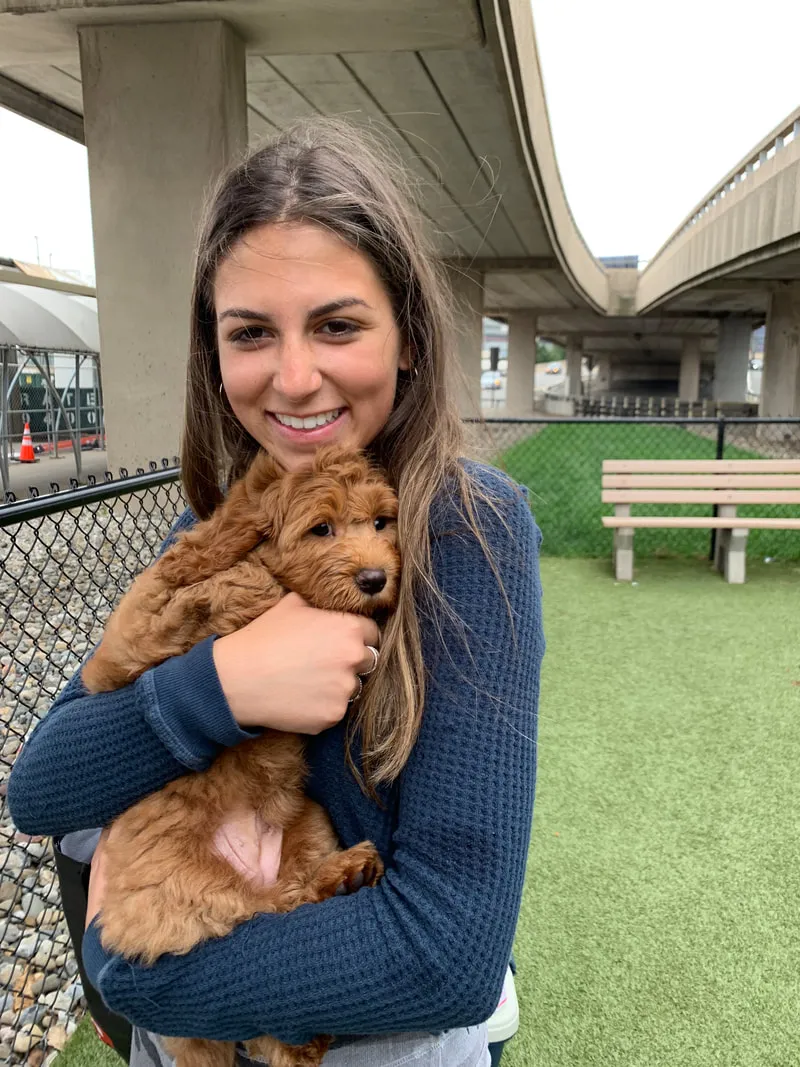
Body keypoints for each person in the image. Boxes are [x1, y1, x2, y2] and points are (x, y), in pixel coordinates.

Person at [8, 118, 544, 1067]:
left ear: (409, 337)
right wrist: (221, 685)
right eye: (251, 333)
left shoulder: (472, 532)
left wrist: (137, 973)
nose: (295, 379)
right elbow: (42, 784)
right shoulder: (218, 521)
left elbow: (447, 954)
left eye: (338, 324)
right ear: (215, 355)